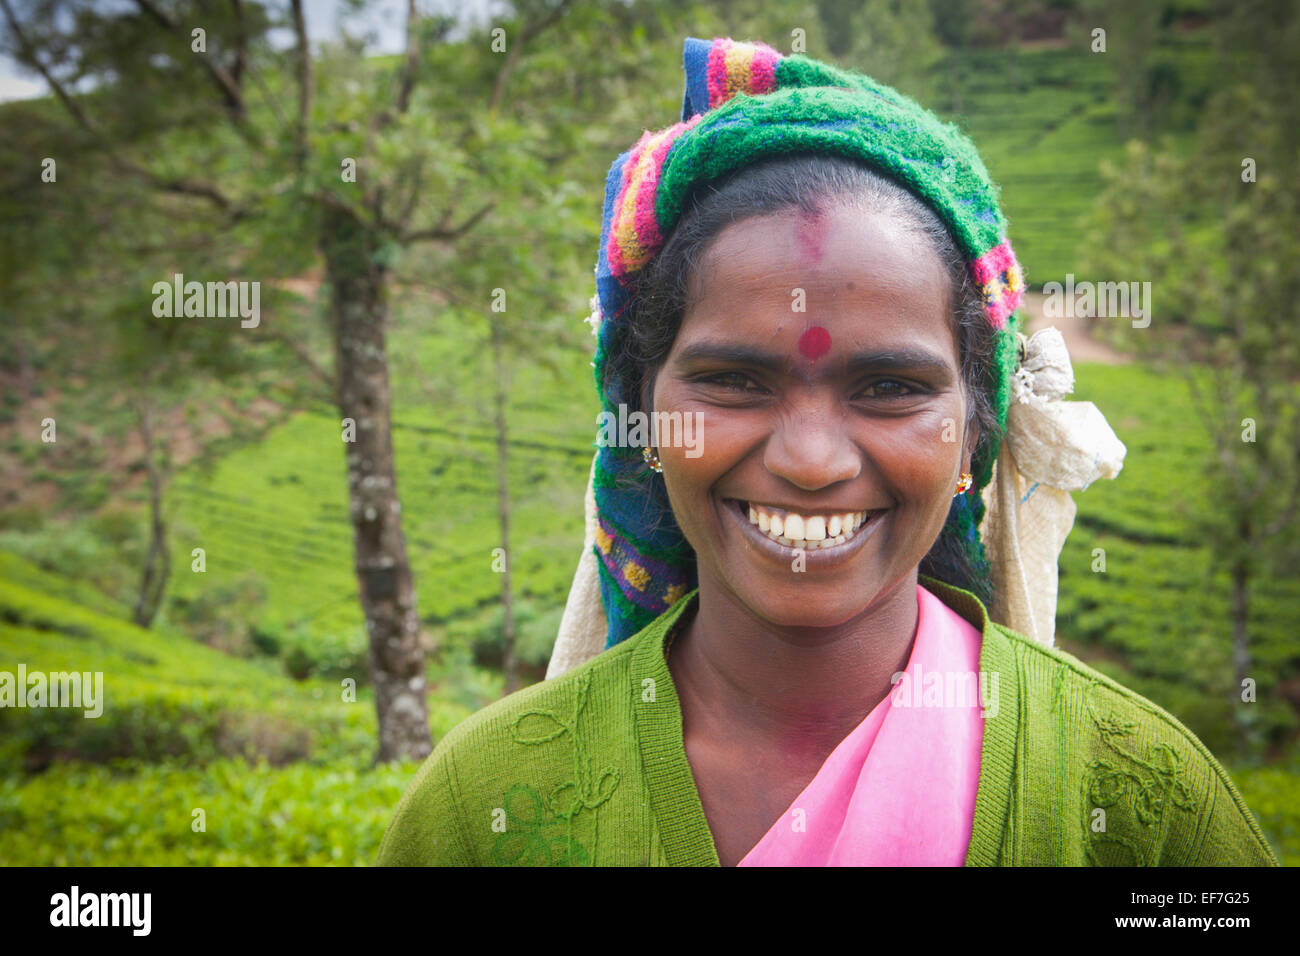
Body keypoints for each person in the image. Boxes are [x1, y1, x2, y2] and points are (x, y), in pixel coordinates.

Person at [376, 36, 1277, 867]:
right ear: (641, 417)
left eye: (890, 388)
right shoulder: (480, 809)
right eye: (733, 380)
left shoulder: (1146, 811)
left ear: (977, 427)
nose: (811, 461)